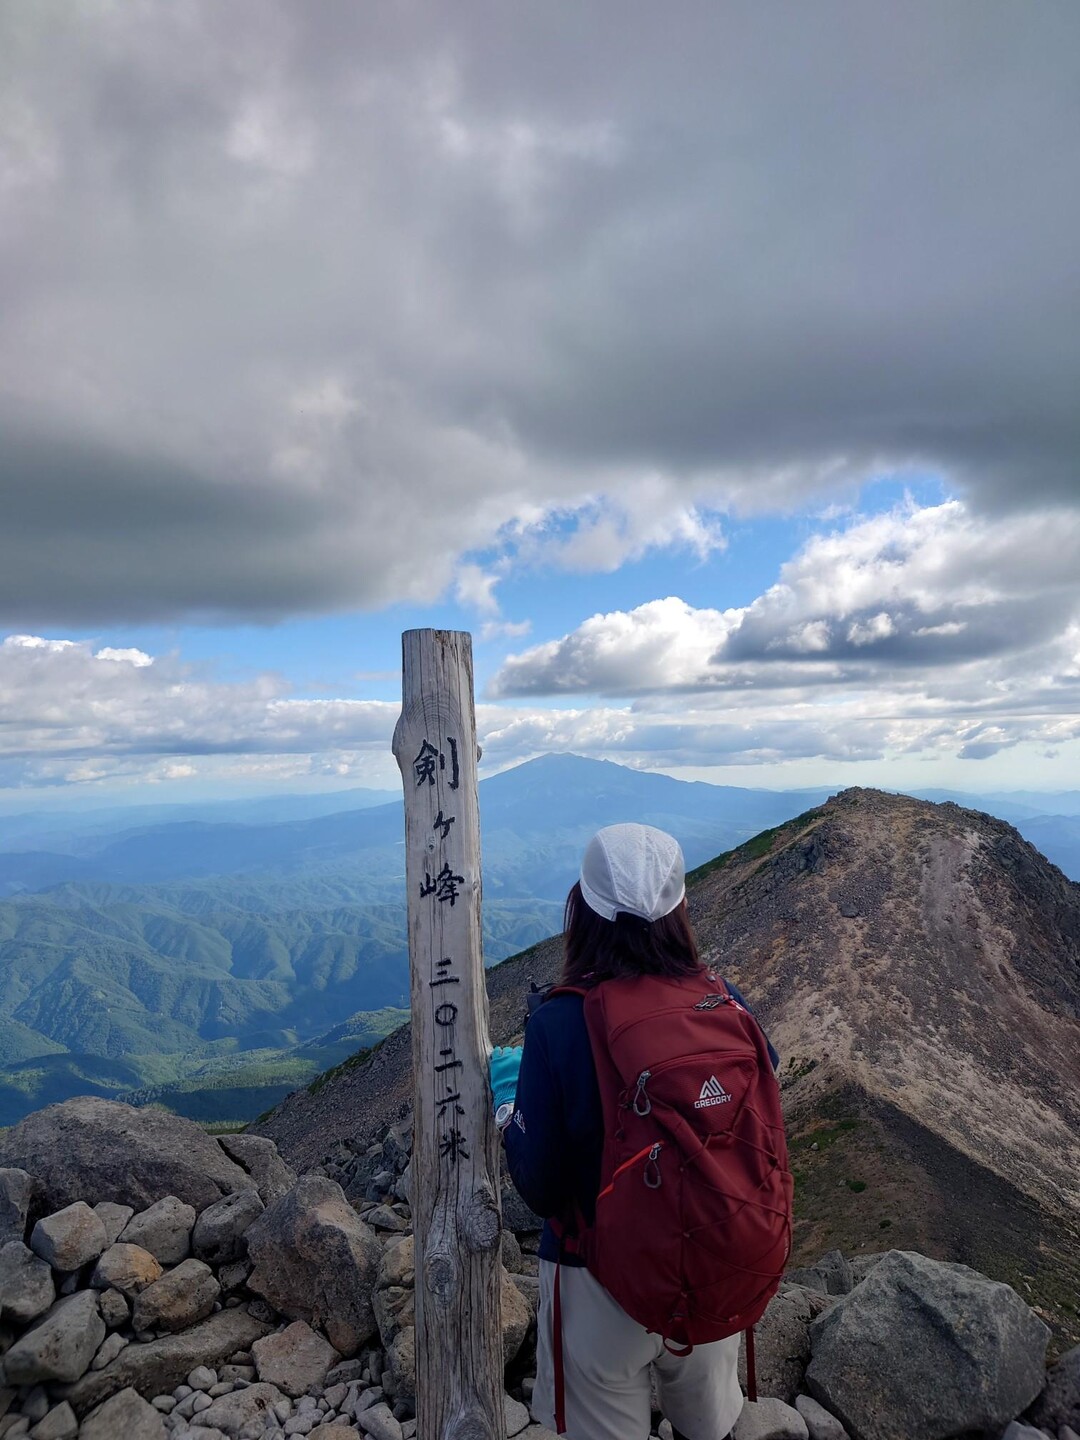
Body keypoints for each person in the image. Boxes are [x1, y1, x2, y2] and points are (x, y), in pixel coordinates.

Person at [490, 822, 781, 1440]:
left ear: (582, 909)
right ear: (681, 909)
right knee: (710, 1429)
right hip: (709, 1264)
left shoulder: (559, 1023)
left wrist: (506, 1107)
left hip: (596, 1281)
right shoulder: (723, 1003)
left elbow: (540, 1185)